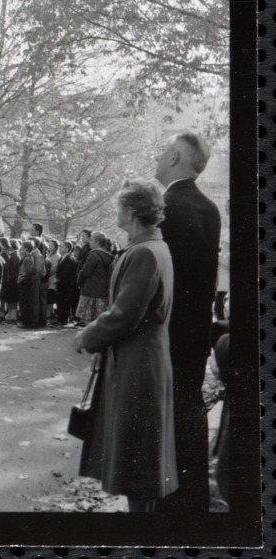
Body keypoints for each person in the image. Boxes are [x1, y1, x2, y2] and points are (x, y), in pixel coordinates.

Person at [73, 179, 177, 512]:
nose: (115, 212)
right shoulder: (150, 247)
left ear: (131, 212)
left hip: (138, 368)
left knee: (138, 465)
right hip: (140, 362)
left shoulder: (145, 251)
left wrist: (87, 336)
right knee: (139, 461)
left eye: (119, 207)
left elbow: (123, 315)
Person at [154, 130, 222, 513]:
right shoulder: (211, 209)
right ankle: (193, 493)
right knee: (189, 404)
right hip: (196, 329)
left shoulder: (164, 205)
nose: (160, 159)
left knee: (165, 410)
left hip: (165, 329)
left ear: (176, 158)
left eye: (165, 153)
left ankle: (169, 495)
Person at [75, 231, 114, 325]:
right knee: (99, 318)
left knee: (88, 319)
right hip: (102, 291)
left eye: (91, 240)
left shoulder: (93, 255)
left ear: (97, 242)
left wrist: (79, 281)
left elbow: (85, 272)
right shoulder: (109, 256)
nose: (89, 242)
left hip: (90, 290)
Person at [55, 240, 79, 327]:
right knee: (60, 302)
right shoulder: (61, 258)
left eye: (62, 246)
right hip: (61, 284)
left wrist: (59, 279)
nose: (59, 248)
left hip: (67, 285)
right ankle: (61, 319)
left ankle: (64, 320)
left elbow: (66, 273)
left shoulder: (70, 259)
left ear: (67, 248)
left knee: (65, 303)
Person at [16, 240, 39, 328]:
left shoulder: (28, 259)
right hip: (24, 283)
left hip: (25, 284)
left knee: (25, 303)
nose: (20, 249)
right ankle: (25, 321)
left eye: (22, 248)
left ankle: (26, 322)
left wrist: (23, 281)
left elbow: (29, 272)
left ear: (26, 249)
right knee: (24, 302)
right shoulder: (27, 258)